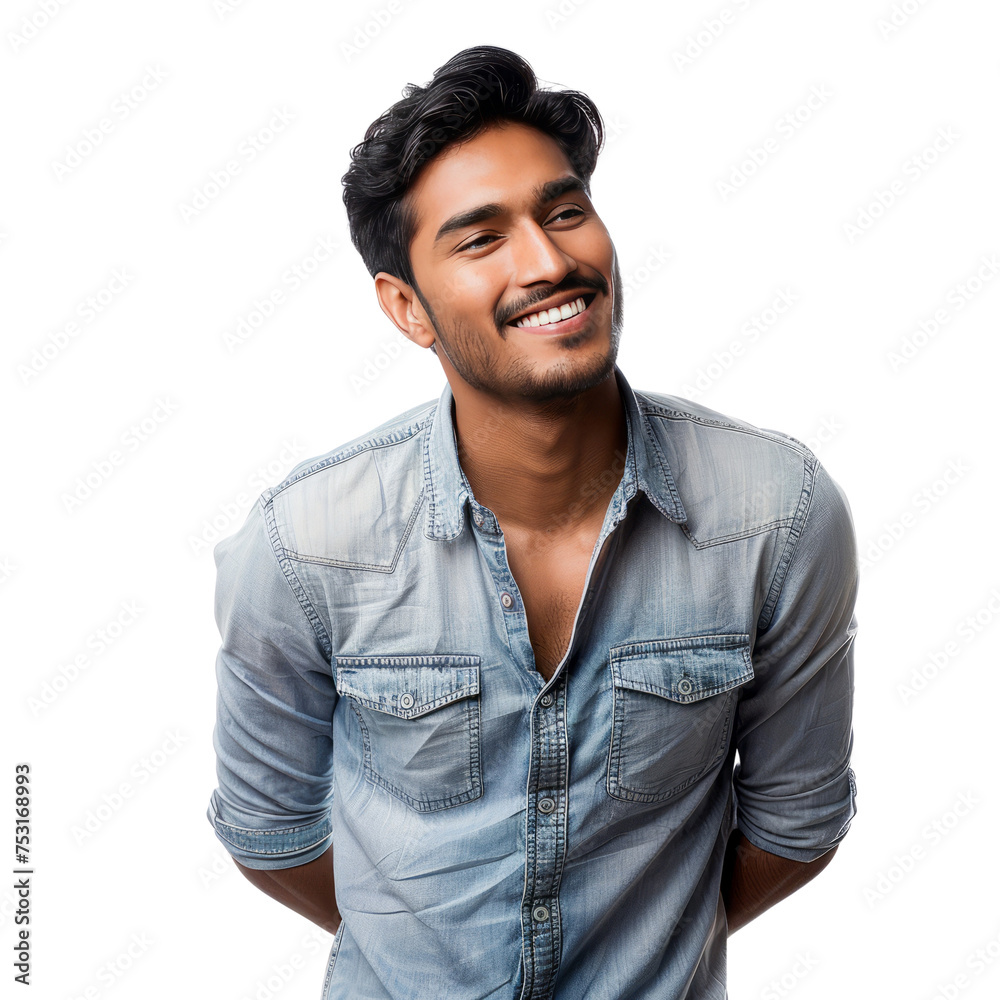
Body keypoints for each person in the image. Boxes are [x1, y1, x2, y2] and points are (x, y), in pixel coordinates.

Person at [206, 45, 859, 999]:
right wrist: (420, 950)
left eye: (564, 212)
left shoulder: (777, 514)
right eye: (480, 240)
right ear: (406, 307)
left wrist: (649, 948)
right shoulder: (303, 544)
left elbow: (796, 825)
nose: (550, 263)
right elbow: (269, 834)